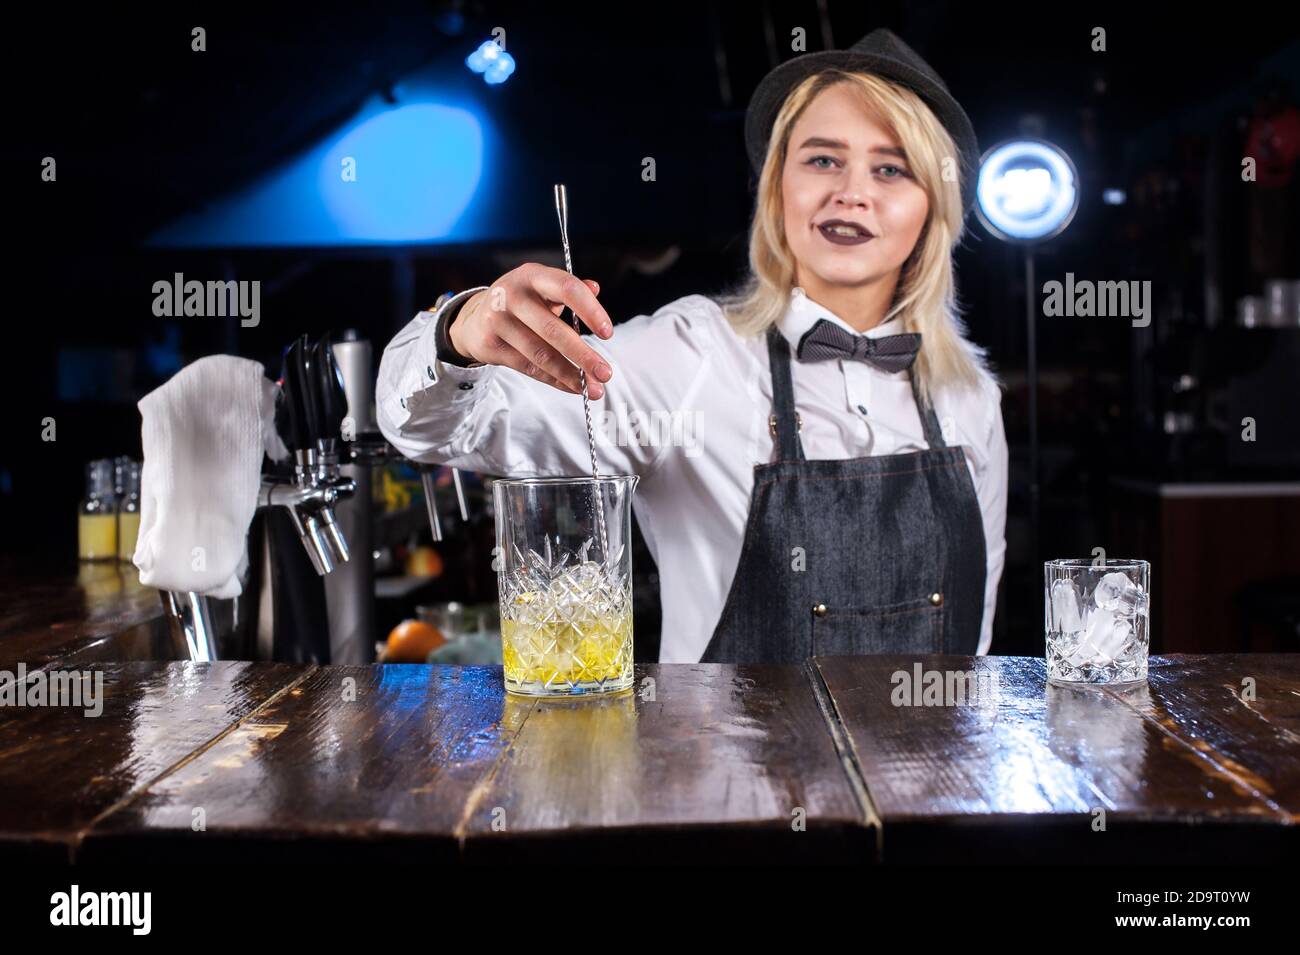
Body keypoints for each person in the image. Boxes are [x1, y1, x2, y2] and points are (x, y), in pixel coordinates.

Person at [377, 28, 1007, 664]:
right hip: (727, 764)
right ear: (776, 189)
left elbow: (971, 645)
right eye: (821, 159)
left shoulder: (970, 397)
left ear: (933, 204)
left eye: (891, 168)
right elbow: (442, 433)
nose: (852, 191)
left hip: (930, 767)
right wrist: (460, 332)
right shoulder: (690, 359)